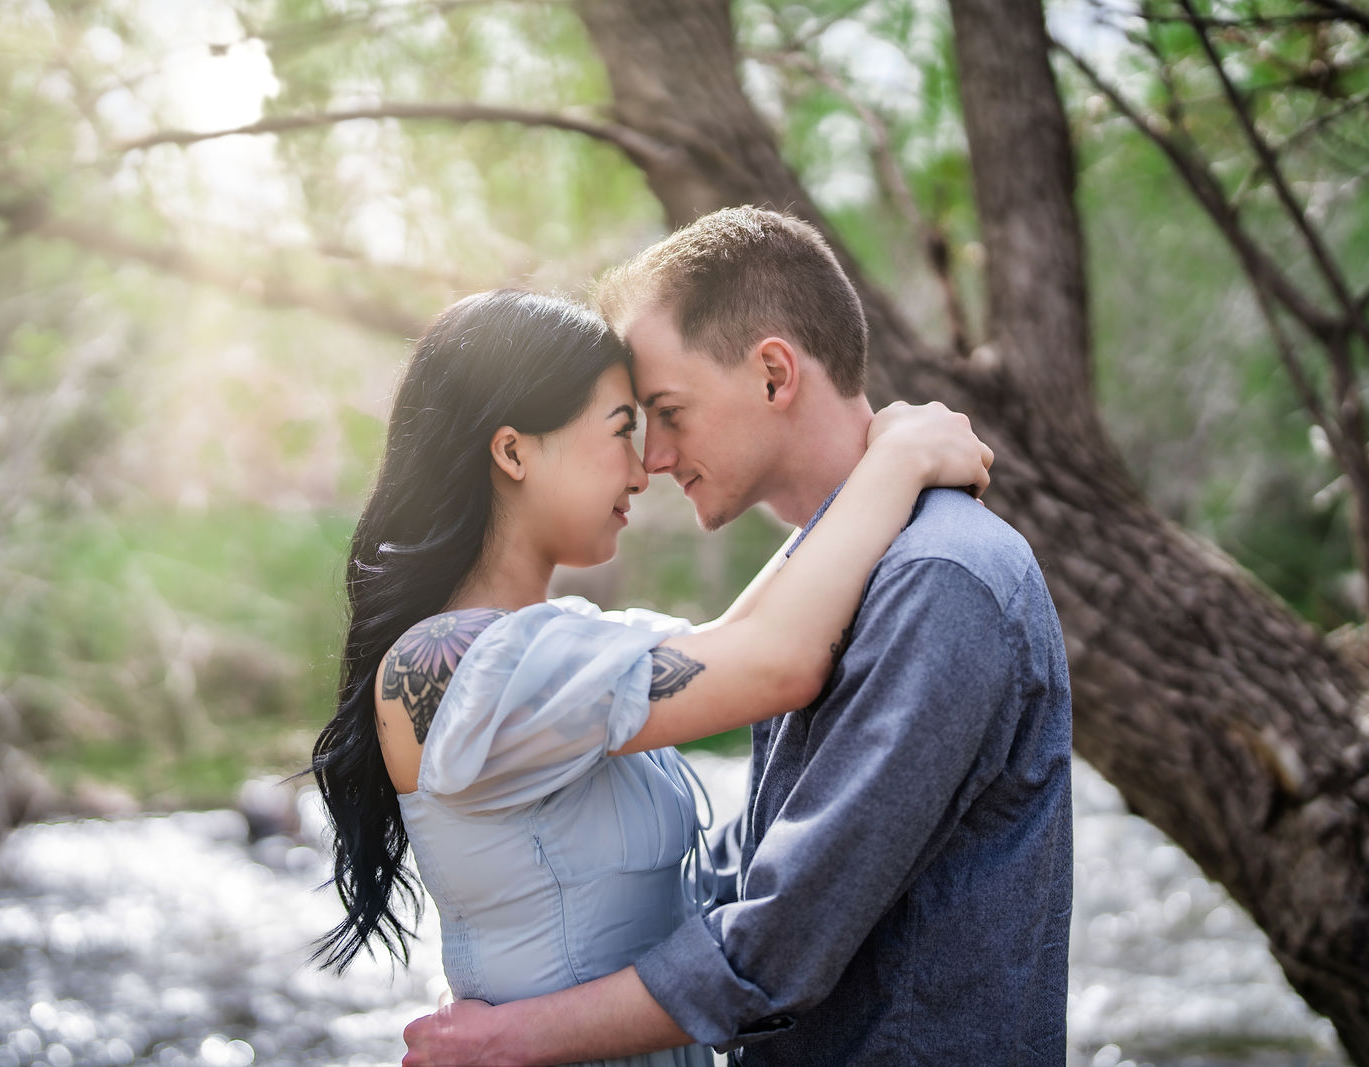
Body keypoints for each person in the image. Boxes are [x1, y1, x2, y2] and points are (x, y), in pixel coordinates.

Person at [400, 209, 1074, 1066]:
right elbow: (762, 841)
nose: (653, 458)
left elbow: (780, 935)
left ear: (773, 374)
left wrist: (514, 1034)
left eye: (667, 410)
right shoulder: (828, 587)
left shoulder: (935, 578)